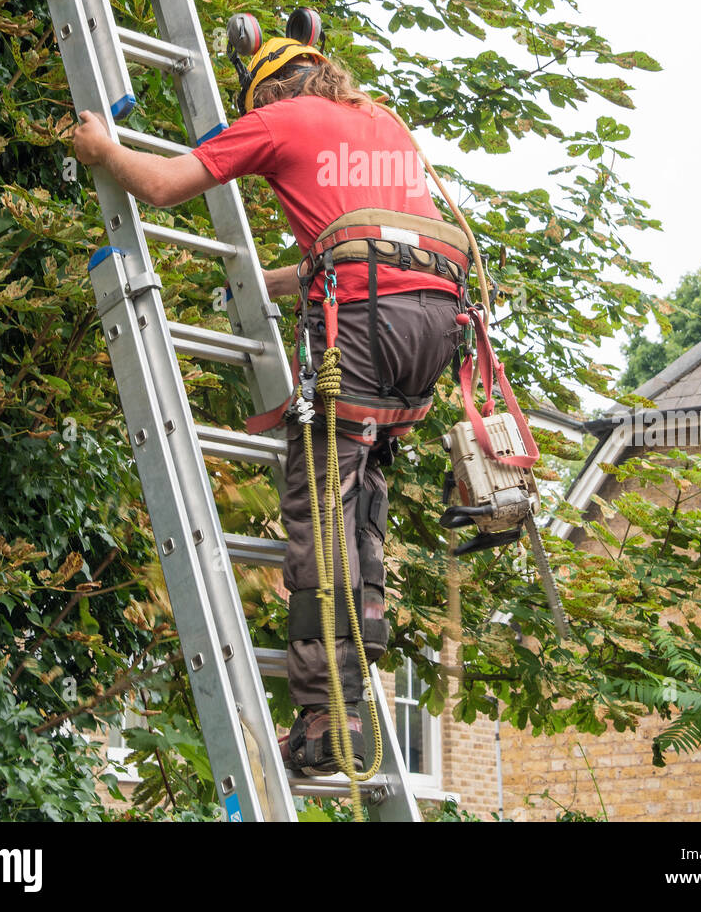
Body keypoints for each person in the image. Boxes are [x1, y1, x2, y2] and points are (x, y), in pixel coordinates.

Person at [72, 40, 465, 775]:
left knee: (319, 508)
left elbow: (159, 185)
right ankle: (354, 673)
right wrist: (266, 288)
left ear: (266, 92)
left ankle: (325, 721)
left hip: (368, 322)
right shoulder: (382, 122)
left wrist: (101, 150)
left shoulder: (279, 119)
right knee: (361, 493)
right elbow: (365, 239)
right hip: (436, 327)